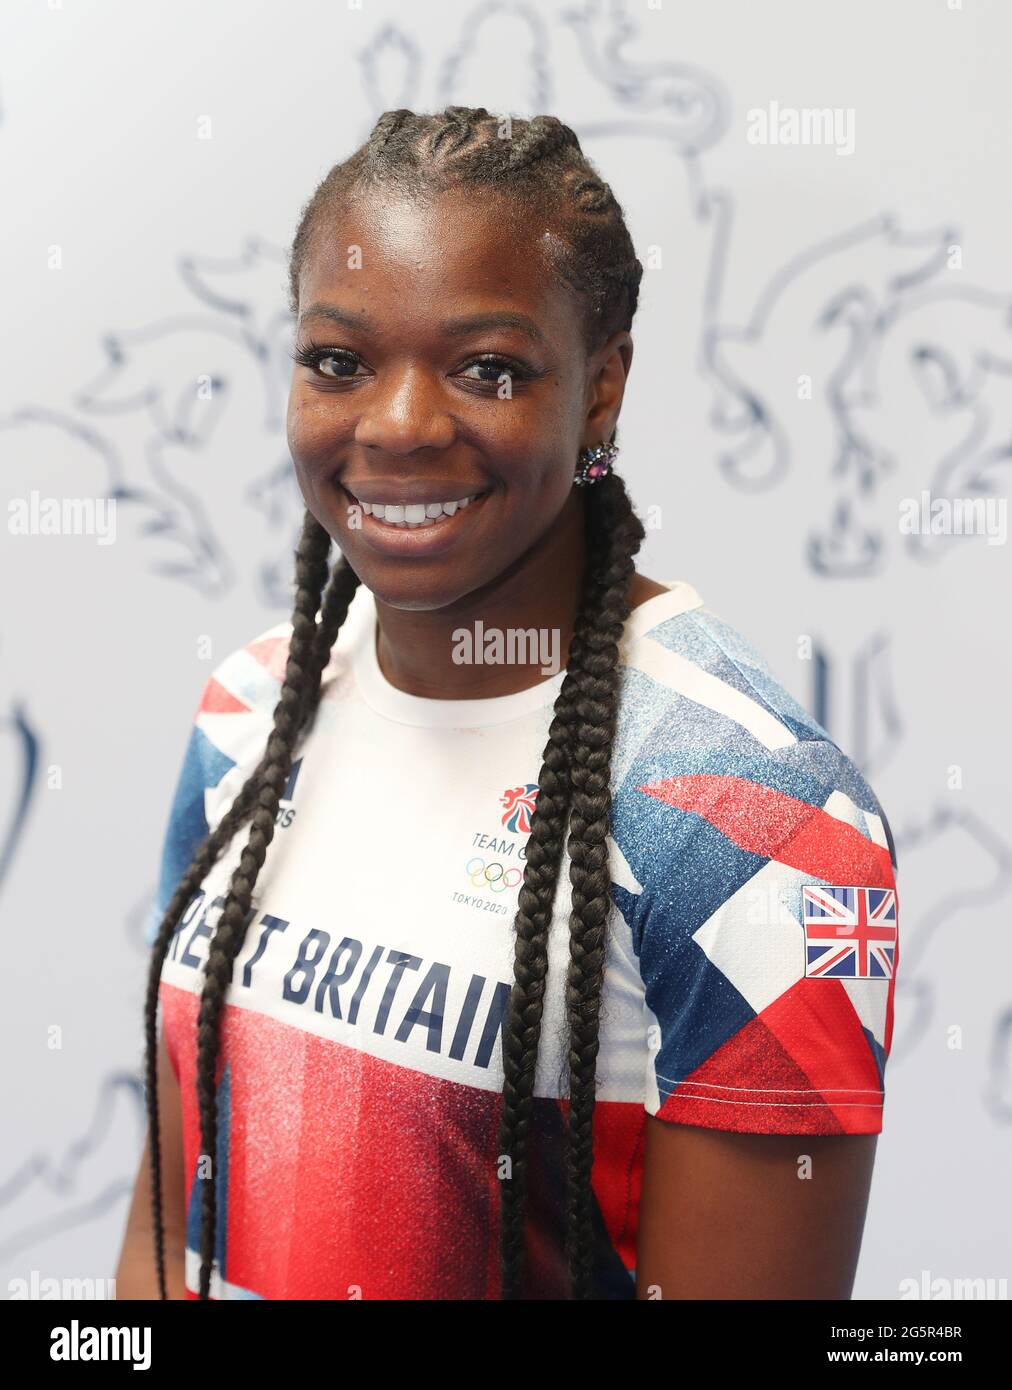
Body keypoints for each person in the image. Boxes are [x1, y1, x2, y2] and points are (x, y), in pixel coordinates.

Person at [115, 107, 899, 1301]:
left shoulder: (753, 817)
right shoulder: (252, 708)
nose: (399, 425)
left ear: (601, 388)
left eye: (488, 368)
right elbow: (166, 1238)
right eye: (340, 360)